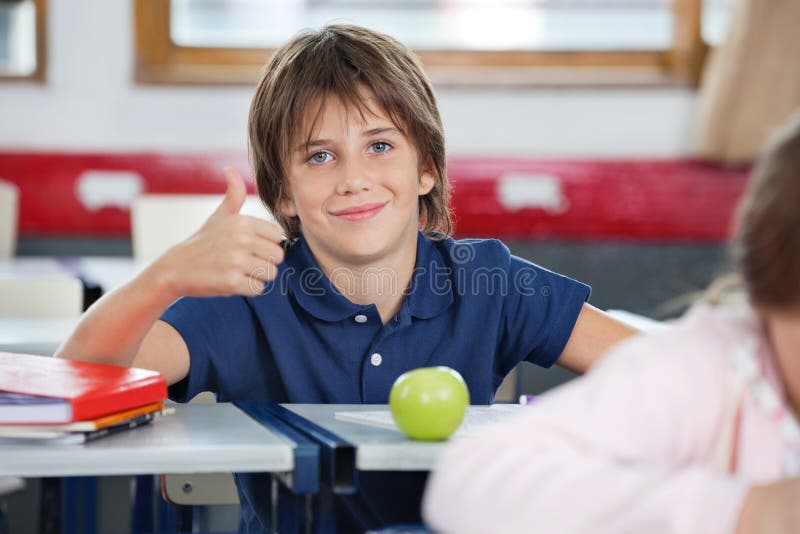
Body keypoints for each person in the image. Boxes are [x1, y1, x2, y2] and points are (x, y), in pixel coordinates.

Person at [56, 24, 635, 532]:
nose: (353, 179)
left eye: (379, 145)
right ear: (283, 192)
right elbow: (70, 386)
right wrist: (166, 276)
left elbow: (661, 373)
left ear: (426, 169)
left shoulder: (488, 281)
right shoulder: (248, 295)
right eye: (320, 156)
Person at [422, 109, 800, 534]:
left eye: (381, 146)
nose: (363, 180)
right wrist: (746, 511)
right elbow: (474, 482)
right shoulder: (712, 373)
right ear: (770, 286)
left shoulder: (499, 280)